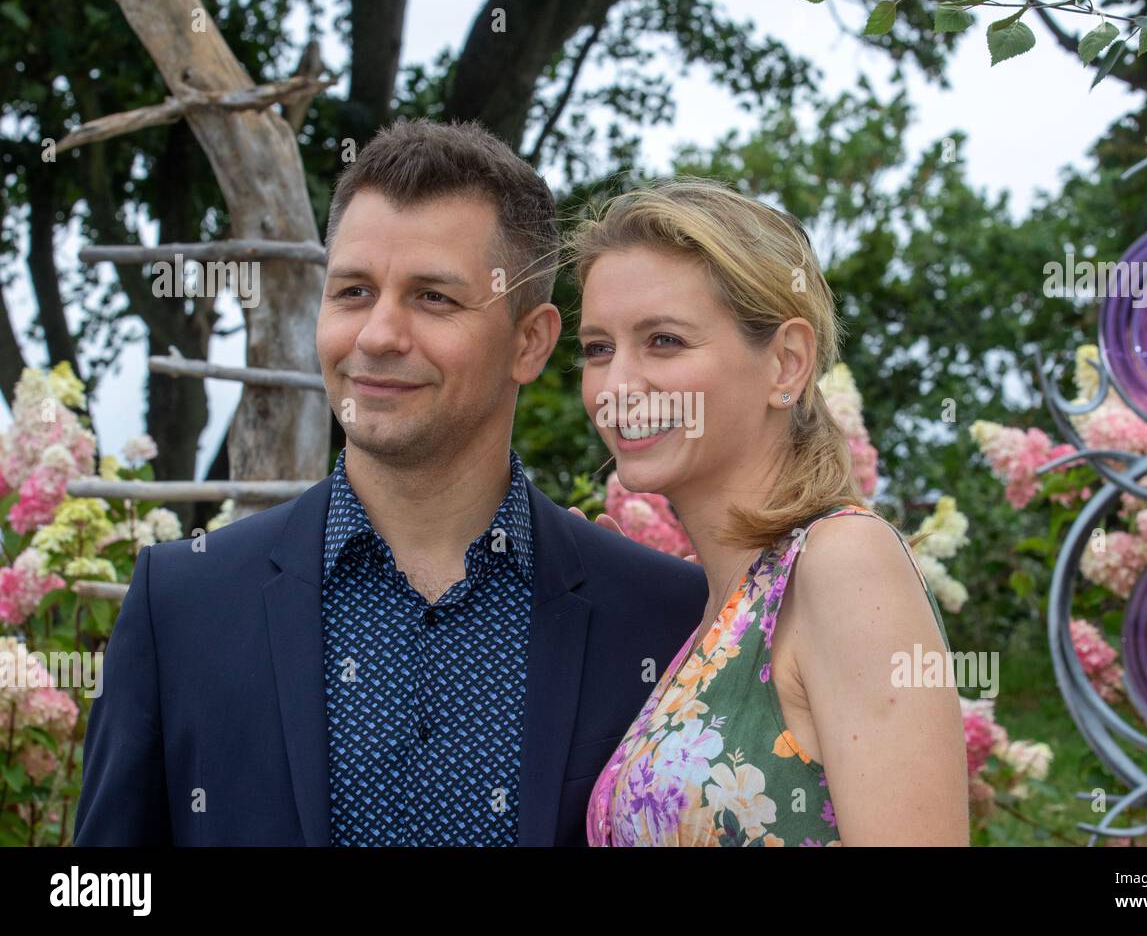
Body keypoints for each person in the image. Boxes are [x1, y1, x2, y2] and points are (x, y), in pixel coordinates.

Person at [74, 120, 706, 847]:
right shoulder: (182, 603)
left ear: (529, 341)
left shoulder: (663, 619)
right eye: (352, 291)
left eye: (433, 297)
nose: (377, 335)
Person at [572, 178, 970, 846]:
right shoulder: (715, 609)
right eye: (597, 348)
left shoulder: (843, 564)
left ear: (787, 363)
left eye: (664, 341)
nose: (616, 387)